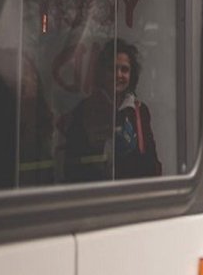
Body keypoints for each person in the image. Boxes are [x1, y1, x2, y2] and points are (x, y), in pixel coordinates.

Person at [61, 42, 160, 181]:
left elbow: (152, 164)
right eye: (112, 69)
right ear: (101, 72)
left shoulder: (140, 111)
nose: (118, 75)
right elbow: (72, 166)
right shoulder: (84, 110)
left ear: (132, 75)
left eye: (124, 70)